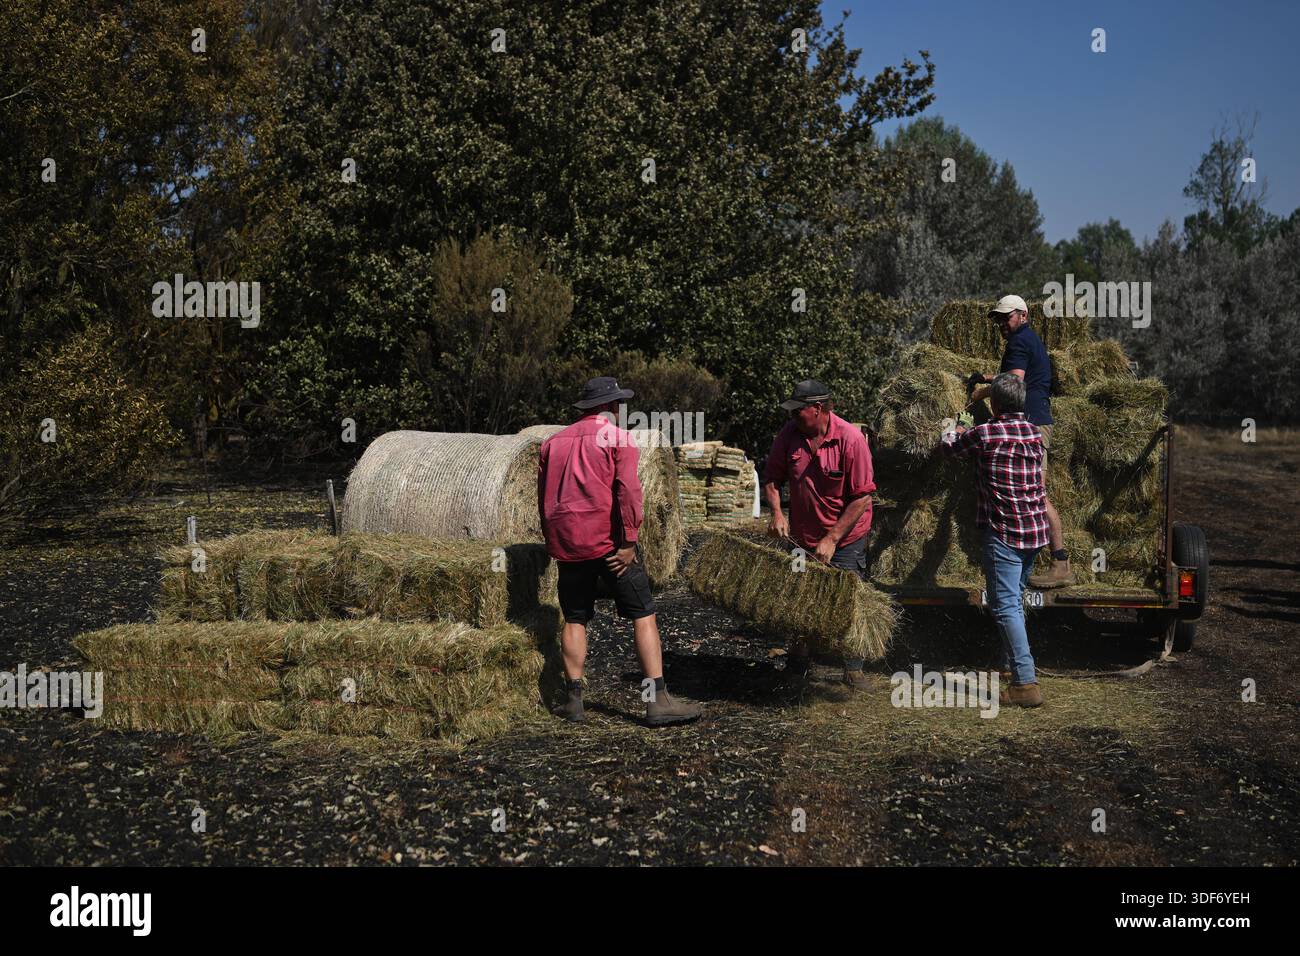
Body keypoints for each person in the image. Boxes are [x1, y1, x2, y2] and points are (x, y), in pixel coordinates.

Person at [537, 376, 702, 726]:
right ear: (610, 408)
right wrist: (628, 542)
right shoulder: (618, 438)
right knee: (643, 612)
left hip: (570, 547)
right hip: (610, 545)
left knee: (575, 617)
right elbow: (629, 491)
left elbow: (545, 499)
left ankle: (574, 702)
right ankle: (656, 700)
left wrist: (556, 542)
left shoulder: (552, 444)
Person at [762, 379, 876, 689]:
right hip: (801, 537)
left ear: (818, 408)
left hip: (846, 538)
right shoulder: (788, 436)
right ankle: (799, 662)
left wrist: (833, 538)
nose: (792, 418)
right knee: (800, 595)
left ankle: (853, 668)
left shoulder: (851, 440)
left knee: (847, 598)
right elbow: (772, 479)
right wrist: (776, 512)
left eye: (798, 412)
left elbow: (863, 496)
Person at [941, 372, 1047, 707]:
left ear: (996, 404)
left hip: (1005, 533)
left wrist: (952, 424)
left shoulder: (986, 433)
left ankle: (1025, 684)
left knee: (1005, 607)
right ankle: (1009, 664)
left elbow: (950, 449)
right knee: (1015, 600)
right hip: (1035, 531)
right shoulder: (1033, 433)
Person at [969, 294, 1074, 588]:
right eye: (999, 318)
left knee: (1037, 493)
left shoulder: (1018, 341)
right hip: (1032, 420)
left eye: (1007, 317)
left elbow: (1013, 383)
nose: (1002, 322)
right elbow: (1015, 374)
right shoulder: (1026, 340)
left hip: (1031, 423)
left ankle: (1060, 562)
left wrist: (981, 393)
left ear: (1023, 315)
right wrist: (988, 376)